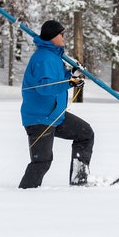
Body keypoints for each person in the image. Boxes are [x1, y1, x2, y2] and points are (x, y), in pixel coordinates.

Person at [18, 19, 94, 189]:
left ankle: (79, 179)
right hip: (39, 119)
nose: (64, 37)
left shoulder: (53, 57)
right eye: (61, 34)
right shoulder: (44, 58)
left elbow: (56, 79)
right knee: (42, 161)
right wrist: (70, 82)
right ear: (52, 36)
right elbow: (45, 88)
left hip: (54, 116)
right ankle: (25, 193)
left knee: (85, 134)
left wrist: (71, 74)